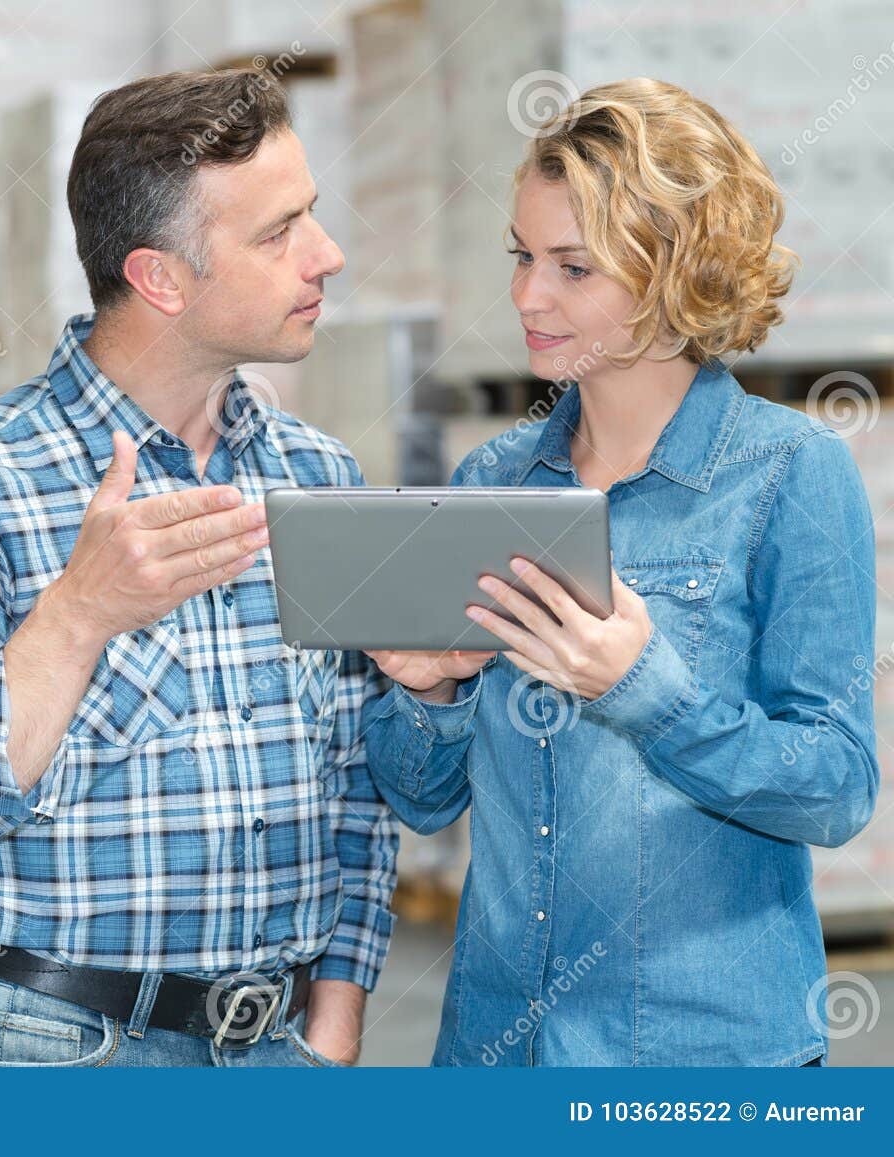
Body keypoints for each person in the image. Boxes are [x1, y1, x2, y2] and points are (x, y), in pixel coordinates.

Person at [0, 69, 479, 1067]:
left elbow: (385, 793)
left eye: (310, 215)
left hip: (279, 1047)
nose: (327, 255)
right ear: (162, 279)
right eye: (277, 235)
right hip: (52, 1049)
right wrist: (74, 617)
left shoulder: (315, 475)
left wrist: (339, 1008)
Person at [366, 78, 879, 1066]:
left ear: (672, 271)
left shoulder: (788, 477)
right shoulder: (491, 480)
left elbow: (833, 789)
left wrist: (643, 691)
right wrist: (426, 693)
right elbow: (424, 799)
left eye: (571, 266)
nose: (525, 295)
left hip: (704, 1059)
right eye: (520, 257)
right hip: (495, 1053)